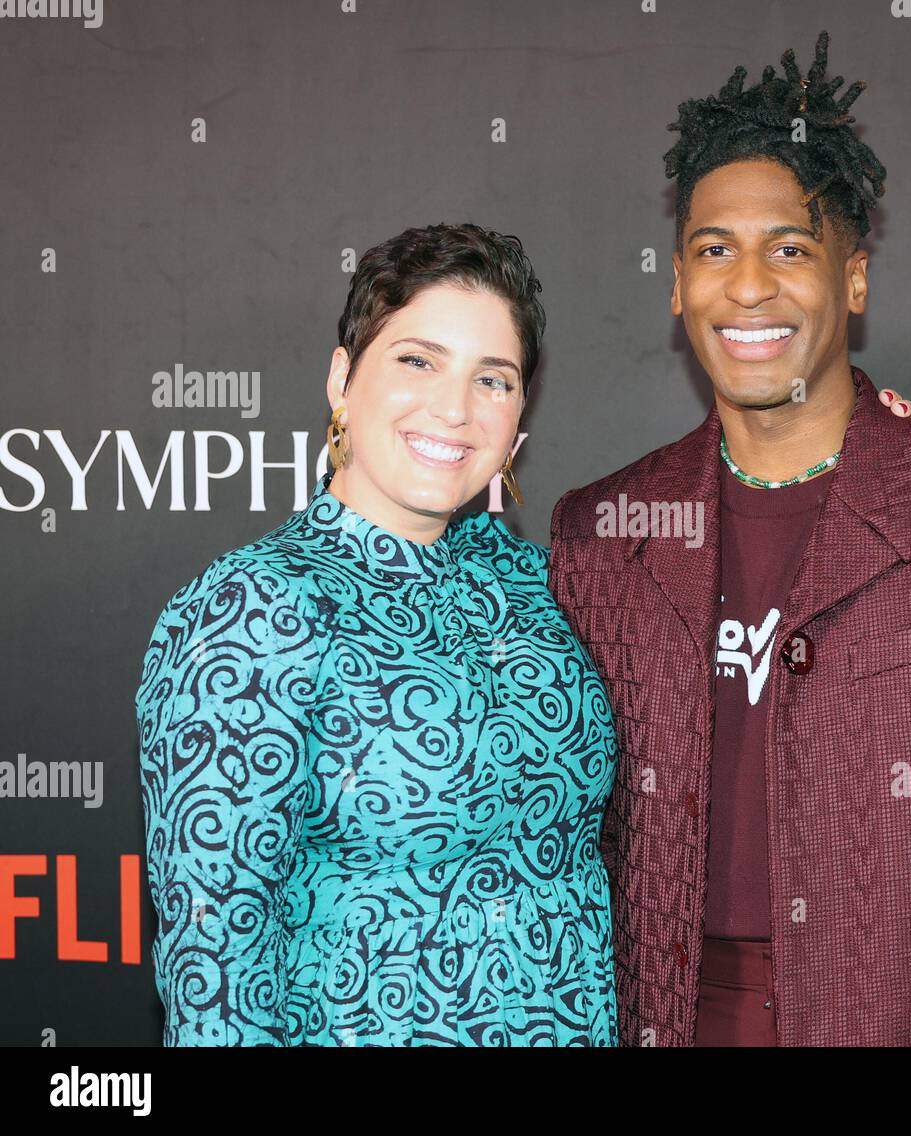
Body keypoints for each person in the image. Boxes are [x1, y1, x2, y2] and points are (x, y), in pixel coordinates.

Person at [548, 31, 911, 1046]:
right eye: (714, 249)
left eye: (790, 249)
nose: (749, 284)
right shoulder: (598, 532)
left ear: (853, 280)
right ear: (676, 285)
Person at [135, 223, 622, 1045]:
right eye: (418, 360)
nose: (454, 408)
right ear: (341, 377)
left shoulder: (540, 586)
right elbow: (214, 966)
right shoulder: (255, 608)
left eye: (493, 380)